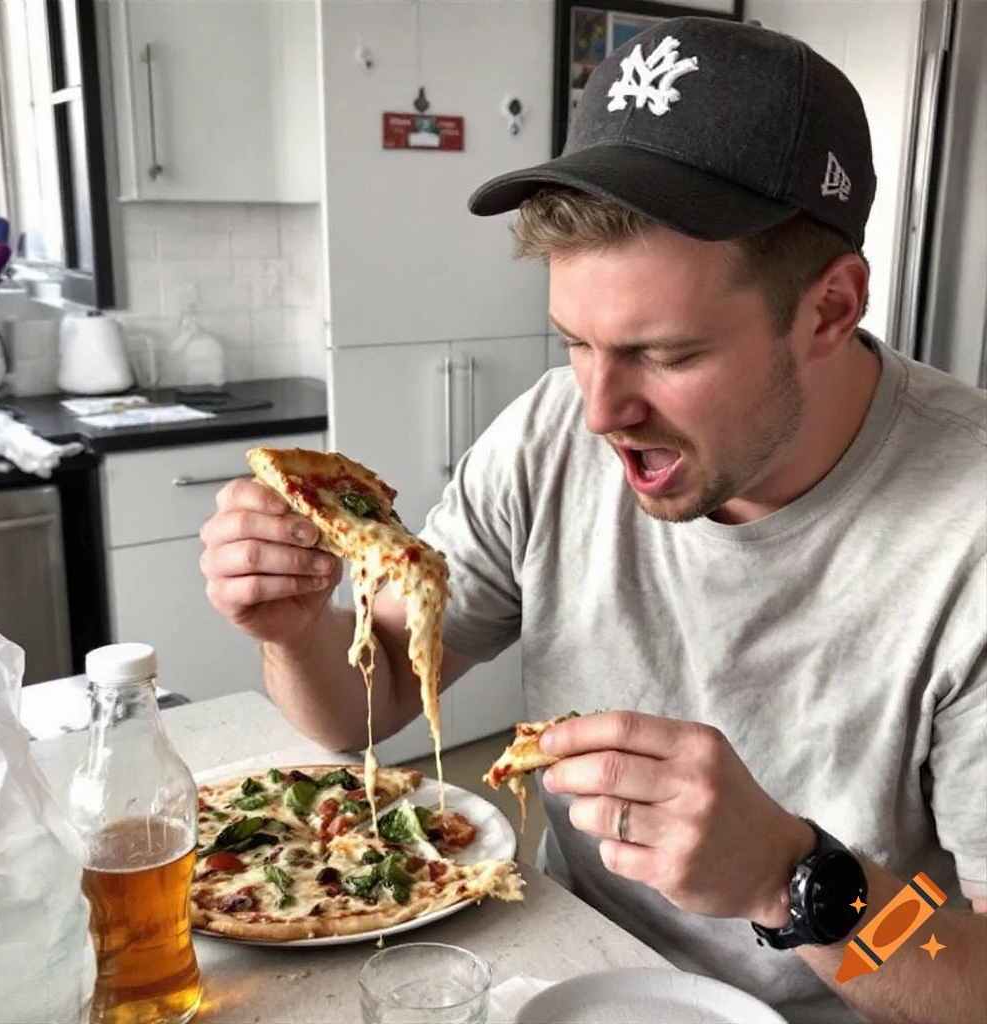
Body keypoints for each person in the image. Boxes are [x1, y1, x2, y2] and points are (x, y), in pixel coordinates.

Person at [199, 17, 985, 1024]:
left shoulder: (967, 531)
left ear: (830, 310)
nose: (600, 412)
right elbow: (377, 698)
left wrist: (792, 880)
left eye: (666, 354)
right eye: (574, 341)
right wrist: (294, 629)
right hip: (561, 973)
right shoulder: (545, 434)